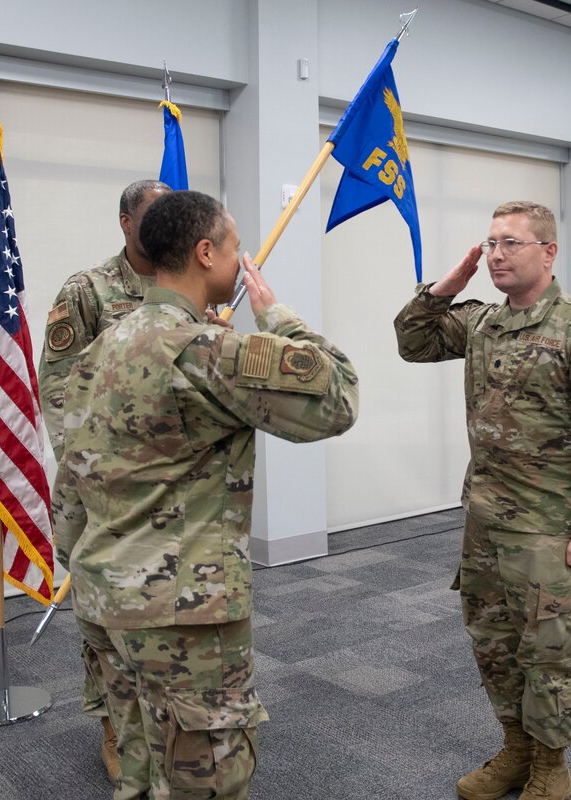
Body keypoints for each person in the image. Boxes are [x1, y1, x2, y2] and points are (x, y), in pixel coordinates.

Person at [52, 190, 359, 800]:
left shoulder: (100, 350)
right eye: (235, 247)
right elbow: (339, 398)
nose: (241, 260)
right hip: (182, 613)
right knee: (205, 777)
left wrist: (81, 565)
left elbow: (72, 476)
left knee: (139, 770)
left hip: (102, 600)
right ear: (204, 252)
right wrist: (277, 317)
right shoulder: (207, 351)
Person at [393, 201, 571, 800]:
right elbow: (413, 340)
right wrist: (445, 287)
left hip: (551, 529)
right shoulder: (482, 323)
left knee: (550, 653)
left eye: (511, 243)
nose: (497, 253)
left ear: (548, 253)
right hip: (484, 526)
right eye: (491, 242)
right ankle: (516, 747)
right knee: (494, 645)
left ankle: (551, 765)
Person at [38, 179, 171, 783]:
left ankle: (166, 721)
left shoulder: (180, 286)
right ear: (124, 222)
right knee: (104, 614)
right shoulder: (88, 291)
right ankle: (114, 725)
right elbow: (60, 389)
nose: (164, 222)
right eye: (151, 215)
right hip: (107, 488)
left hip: (168, 490)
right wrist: (95, 473)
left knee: (166, 609)